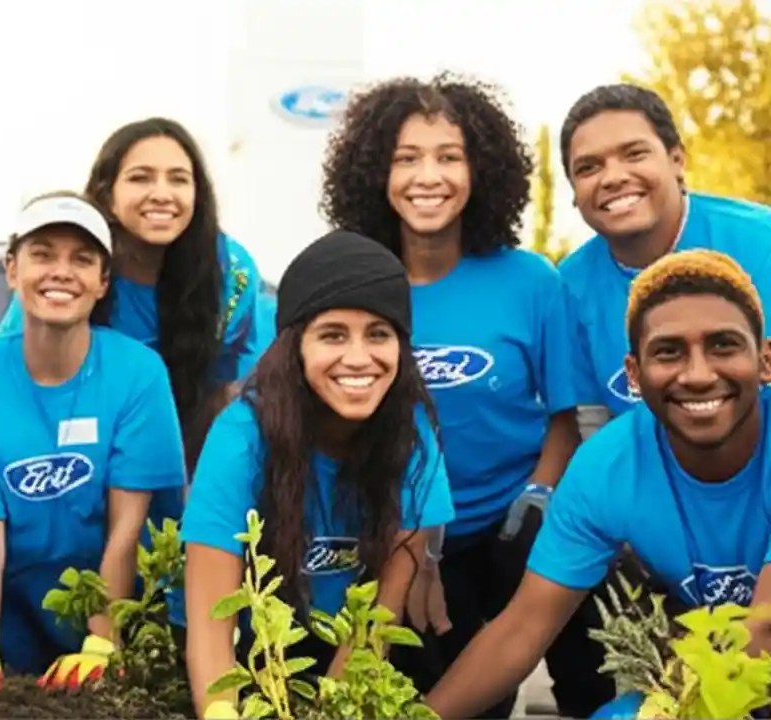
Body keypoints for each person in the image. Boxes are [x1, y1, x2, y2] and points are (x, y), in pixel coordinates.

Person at [319, 72, 610, 717]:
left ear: (481, 171)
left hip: (513, 532)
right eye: (407, 158)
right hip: (401, 538)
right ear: (375, 173)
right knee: (429, 698)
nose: (429, 176)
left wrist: (539, 496)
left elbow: (565, 417)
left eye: (449, 157)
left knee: (571, 685)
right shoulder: (355, 284)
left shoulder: (530, 281)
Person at [426, 248, 771, 718]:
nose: (697, 375)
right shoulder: (607, 467)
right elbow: (522, 629)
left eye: (723, 346)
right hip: (716, 674)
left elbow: (763, 629)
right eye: (668, 352)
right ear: (634, 375)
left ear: (765, 360)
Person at [0, 192, 187, 704]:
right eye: (42, 254)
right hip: (14, 604)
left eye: (81, 259)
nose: (61, 272)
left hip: (124, 605)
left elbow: (127, 530)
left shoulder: (137, 374)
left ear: (102, 281)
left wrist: (102, 641)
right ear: (12, 269)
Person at [181, 230, 455, 719]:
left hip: (339, 644)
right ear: (296, 346)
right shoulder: (241, 436)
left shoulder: (411, 434)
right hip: (243, 653)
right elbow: (210, 629)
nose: (359, 357)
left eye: (379, 333)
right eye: (333, 334)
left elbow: (374, 625)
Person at [0, 118, 271, 470]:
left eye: (178, 179)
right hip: (75, 454)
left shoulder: (231, 270)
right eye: (140, 178)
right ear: (106, 193)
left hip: (188, 455)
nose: (162, 194)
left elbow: (225, 392)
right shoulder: (71, 274)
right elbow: (14, 382)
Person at [557, 83, 771, 433]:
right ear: (573, 191)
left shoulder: (762, 243)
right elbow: (593, 425)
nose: (613, 178)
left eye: (634, 154)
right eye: (588, 168)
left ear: (677, 160)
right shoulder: (568, 287)